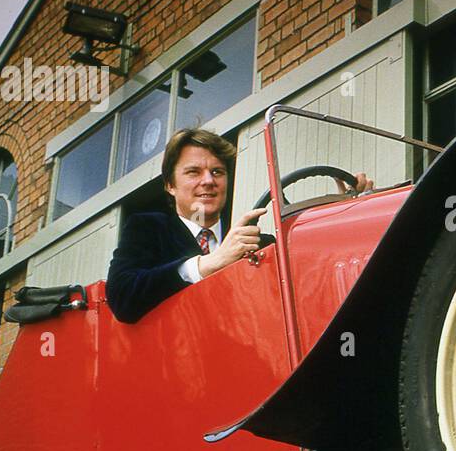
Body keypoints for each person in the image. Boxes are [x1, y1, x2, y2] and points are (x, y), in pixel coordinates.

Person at [106, 128, 369, 323]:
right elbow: (122, 298)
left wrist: (345, 210)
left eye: (217, 172)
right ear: (170, 185)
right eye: (193, 172)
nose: (208, 181)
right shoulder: (148, 229)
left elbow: (315, 284)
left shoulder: (259, 244)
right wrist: (208, 264)